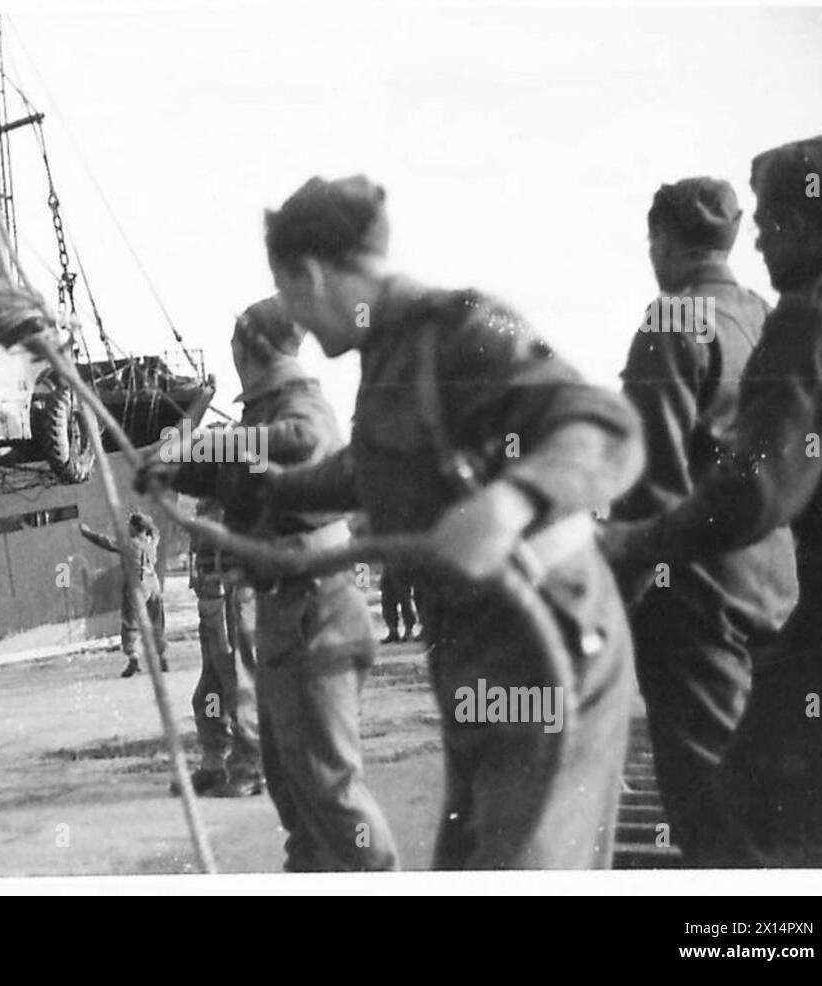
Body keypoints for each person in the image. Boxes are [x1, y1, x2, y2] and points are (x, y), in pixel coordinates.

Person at [259, 175, 645, 868]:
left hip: (545, 646)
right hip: (474, 655)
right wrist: (260, 486)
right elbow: (372, 473)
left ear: (308, 274)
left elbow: (607, 426)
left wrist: (511, 501)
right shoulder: (385, 356)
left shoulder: (464, 328)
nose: (297, 322)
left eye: (288, 294)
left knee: (526, 866)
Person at [602, 134, 822, 866]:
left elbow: (653, 476)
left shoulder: (672, 321)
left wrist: (622, 576)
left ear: (665, 243)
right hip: (777, 584)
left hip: (694, 595)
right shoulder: (764, 312)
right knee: (778, 793)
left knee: (717, 813)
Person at [141, 296, 399, 870]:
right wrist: (174, 465)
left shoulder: (298, 406)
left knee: (328, 792)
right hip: (288, 612)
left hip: (317, 613)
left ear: (244, 347)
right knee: (293, 789)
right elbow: (242, 460)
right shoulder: (265, 412)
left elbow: (299, 445)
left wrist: (204, 447)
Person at [178, 498, 261, 797]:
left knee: (239, 686)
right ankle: (215, 762)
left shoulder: (245, 481)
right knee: (210, 690)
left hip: (235, 598)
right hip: (210, 600)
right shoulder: (206, 492)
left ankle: (250, 768)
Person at [80, 511, 169, 678]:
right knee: (157, 621)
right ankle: (162, 655)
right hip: (154, 584)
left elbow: (105, 542)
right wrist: (148, 523)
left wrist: (86, 532)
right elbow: (156, 532)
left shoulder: (128, 544)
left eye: (130, 525)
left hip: (137, 586)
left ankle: (133, 659)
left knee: (130, 622)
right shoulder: (152, 541)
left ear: (135, 528)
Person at [379, 566, 418, 643]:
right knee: (387, 602)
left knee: (404, 601)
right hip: (388, 571)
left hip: (402, 571)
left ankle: (408, 630)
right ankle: (393, 631)